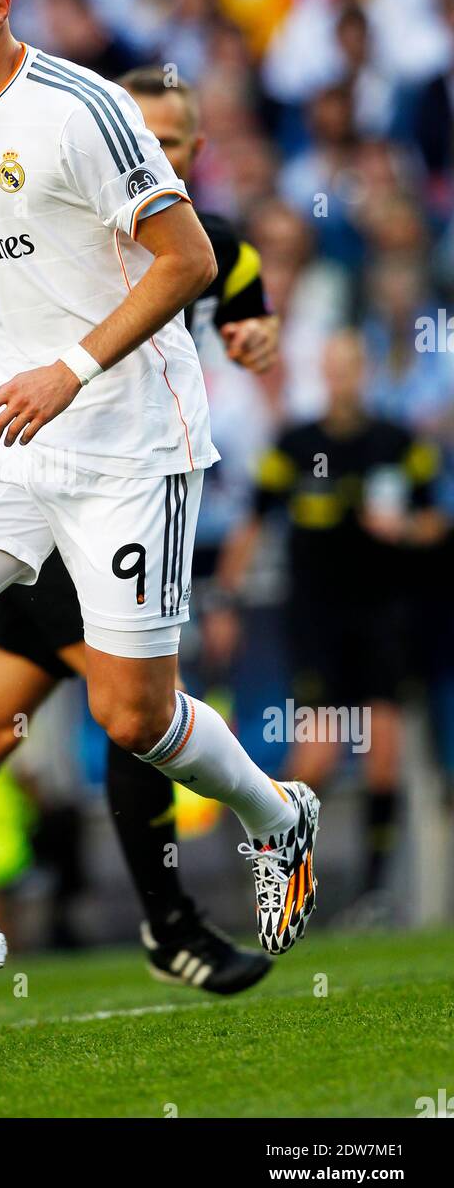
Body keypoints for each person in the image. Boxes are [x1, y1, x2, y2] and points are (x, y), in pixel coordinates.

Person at [0, 0, 319, 983]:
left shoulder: (83, 110)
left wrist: (71, 371)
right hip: (3, 435)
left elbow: (190, 259)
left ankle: (278, 816)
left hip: (126, 441)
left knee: (132, 714)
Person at [215, 329, 446, 919]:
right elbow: (252, 524)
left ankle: (372, 892)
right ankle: (285, 878)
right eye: (332, 367)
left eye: (351, 365)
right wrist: (222, 602)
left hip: (385, 618)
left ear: (363, 370)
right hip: (317, 621)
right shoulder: (294, 444)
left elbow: (434, 524)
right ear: (323, 372)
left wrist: (404, 531)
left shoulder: (399, 444)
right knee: (314, 758)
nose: (342, 376)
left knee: (383, 753)